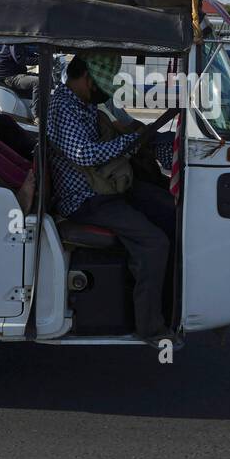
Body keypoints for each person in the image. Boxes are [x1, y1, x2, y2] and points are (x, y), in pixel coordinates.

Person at [47, 51, 176, 342]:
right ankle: (150, 326)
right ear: (85, 77)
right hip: (85, 199)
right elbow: (84, 154)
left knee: (171, 210)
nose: (104, 92)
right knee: (154, 243)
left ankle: (171, 303)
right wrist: (131, 140)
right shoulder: (62, 105)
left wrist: (141, 135)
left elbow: (120, 126)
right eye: (100, 84)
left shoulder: (85, 103)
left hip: (107, 185)